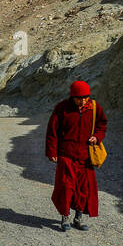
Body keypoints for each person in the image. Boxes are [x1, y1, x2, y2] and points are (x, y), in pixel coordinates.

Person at [45, 80, 107, 233]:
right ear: (72, 97)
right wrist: (52, 152)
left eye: (86, 97)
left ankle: (78, 218)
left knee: (83, 188)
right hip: (66, 155)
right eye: (80, 98)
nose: (83, 101)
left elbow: (102, 124)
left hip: (85, 157)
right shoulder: (62, 108)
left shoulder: (94, 107)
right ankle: (65, 217)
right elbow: (52, 131)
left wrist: (97, 137)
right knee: (66, 187)